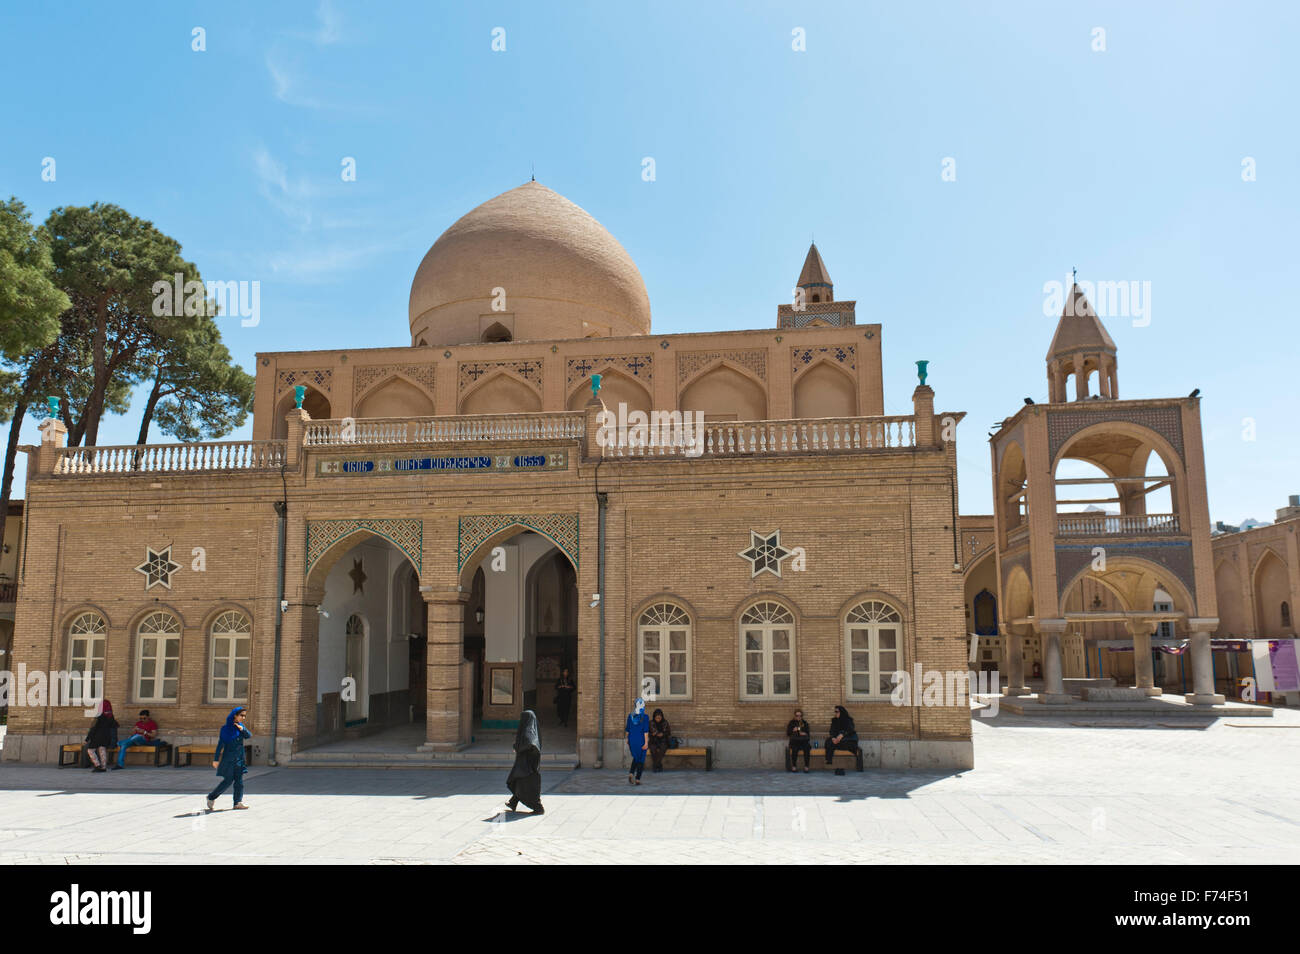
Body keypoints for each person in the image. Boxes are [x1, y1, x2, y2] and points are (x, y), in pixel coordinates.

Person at [207, 706, 251, 812]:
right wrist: (216, 759)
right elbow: (220, 745)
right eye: (241, 715)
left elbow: (248, 736)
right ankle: (211, 797)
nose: (243, 718)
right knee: (228, 781)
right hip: (229, 759)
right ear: (235, 715)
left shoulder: (240, 727)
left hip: (239, 758)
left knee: (239, 781)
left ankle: (237, 802)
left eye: (244, 716)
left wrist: (243, 729)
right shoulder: (225, 729)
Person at [505, 709, 545, 814]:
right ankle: (513, 802)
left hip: (528, 767)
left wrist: (519, 748)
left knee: (526, 786)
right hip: (525, 764)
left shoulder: (529, 731)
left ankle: (538, 808)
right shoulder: (531, 729)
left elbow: (530, 744)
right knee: (519, 782)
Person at [84, 700, 117, 772]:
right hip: (106, 737)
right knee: (102, 750)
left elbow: (93, 728)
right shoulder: (111, 716)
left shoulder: (99, 715)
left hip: (97, 737)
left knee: (90, 750)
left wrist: (87, 739)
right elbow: (115, 725)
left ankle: (97, 765)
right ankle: (104, 767)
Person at [624, 697, 650, 784]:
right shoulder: (645, 717)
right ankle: (638, 779)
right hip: (641, 740)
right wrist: (646, 742)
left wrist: (627, 739)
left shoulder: (630, 716)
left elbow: (627, 730)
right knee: (641, 759)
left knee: (636, 757)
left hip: (632, 739)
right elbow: (645, 731)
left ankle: (631, 773)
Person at [647, 708, 671, 772]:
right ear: (654, 717)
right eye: (657, 718)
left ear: (662, 717)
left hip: (663, 741)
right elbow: (647, 733)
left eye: (659, 718)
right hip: (653, 741)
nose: (658, 719)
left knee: (662, 749)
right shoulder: (651, 722)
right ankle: (659, 765)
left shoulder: (665, 722)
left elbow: (668, 732)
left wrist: (663, 734)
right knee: (653, 749)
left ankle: (655, 765)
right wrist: (652, 734)